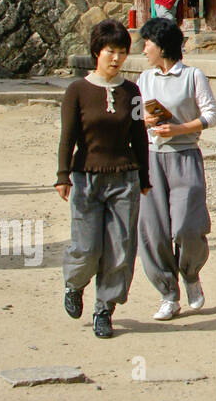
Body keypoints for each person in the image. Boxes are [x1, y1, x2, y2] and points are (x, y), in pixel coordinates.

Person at [55, 19, 150, 338]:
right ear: (97, 51)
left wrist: (145, 176)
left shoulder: (132, 91)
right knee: (86, 246)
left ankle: (104, 309)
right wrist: (62, 175)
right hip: (86, 178)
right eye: (111, 51)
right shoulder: (77, 90)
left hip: (125, 178)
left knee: (120, 247)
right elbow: (68, 136)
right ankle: (75, 284)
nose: (116, 58)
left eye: (122, 52)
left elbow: (139, 136)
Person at [136, 17, 216, 320]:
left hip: (185, 155)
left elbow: (211, 115)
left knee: (188, 225)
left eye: (148, 43)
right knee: (153, 229)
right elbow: (134, 114)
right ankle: (168, 293)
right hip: (151, 157)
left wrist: (180, 128)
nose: (144, 48)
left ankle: (191, 273)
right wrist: (144, 122)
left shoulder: (192, 76)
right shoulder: (144, 79)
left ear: (162, 46)